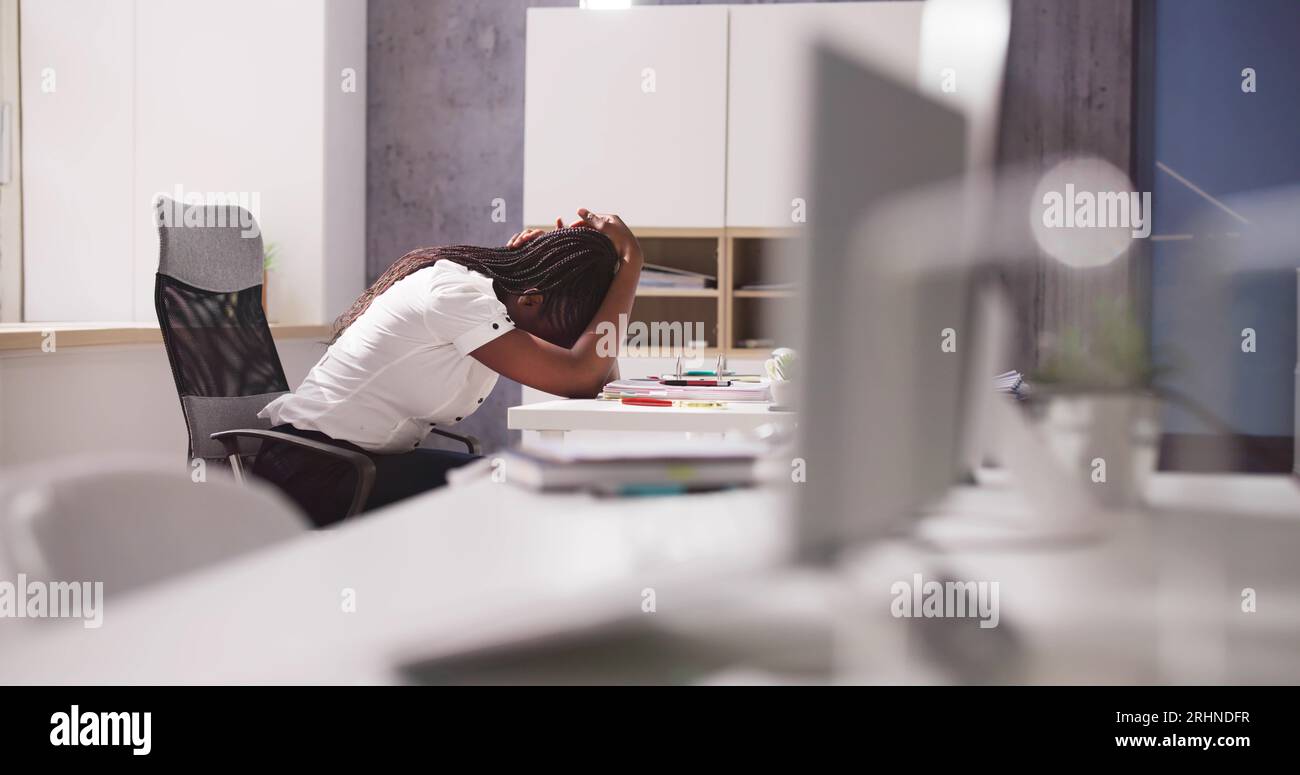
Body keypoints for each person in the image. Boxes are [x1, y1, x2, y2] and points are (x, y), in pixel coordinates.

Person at [252, 208, 642, 525]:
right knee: (515, 492)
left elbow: (593, 378)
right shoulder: (456, 297)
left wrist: (605, 285)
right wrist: (630, 265)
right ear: (531, 300)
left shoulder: (492, 299)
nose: (567, 344)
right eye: (568, 325)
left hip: (362, 465)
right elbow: (582, 376)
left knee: (517, 485)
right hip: (312, 472)